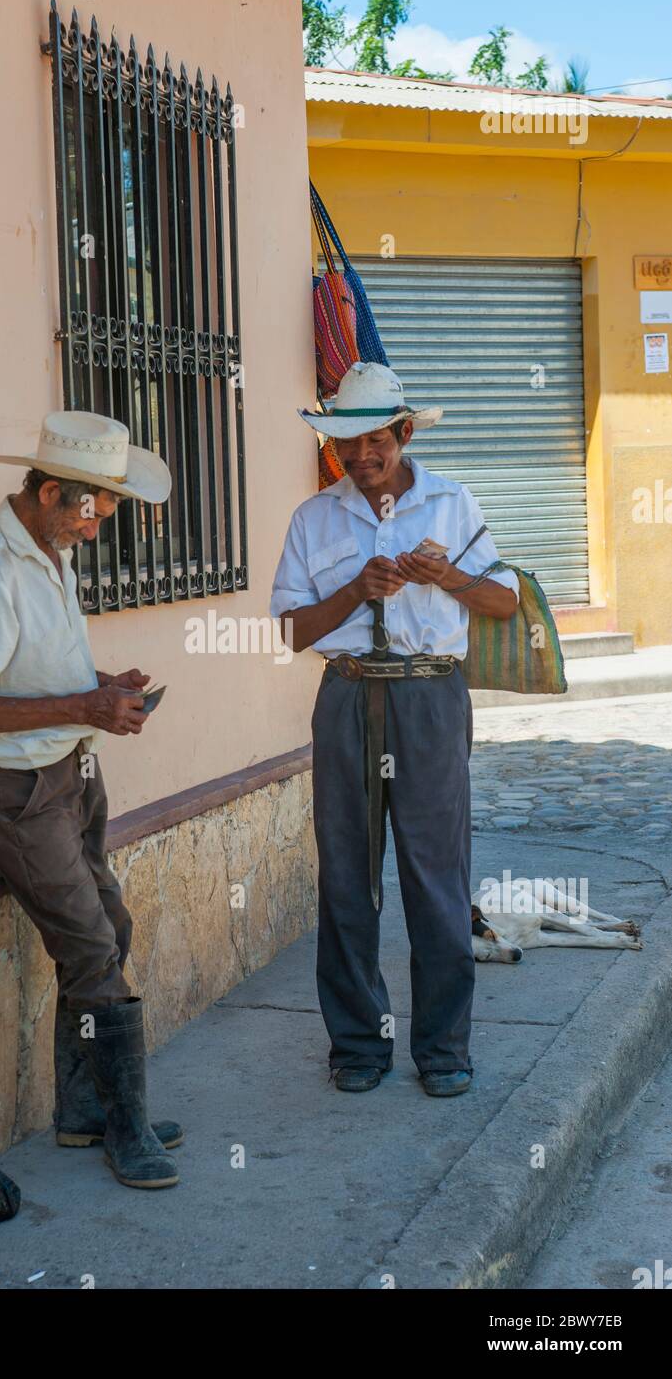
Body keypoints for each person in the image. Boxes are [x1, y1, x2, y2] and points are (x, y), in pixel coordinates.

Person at [0, 410, 182, 1188]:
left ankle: (84, 1110)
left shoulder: (49, 550)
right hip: (20, 788)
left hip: (70, 770)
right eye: (91, 510)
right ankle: (125, 1129)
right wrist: (85, 709)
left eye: (105, 512)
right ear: (49, 492)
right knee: (89, 947)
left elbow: (34, 671)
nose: (96, 526)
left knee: (108, 926)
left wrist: (99, 688)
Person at [270, 362, 519, 1097]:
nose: (360, 458)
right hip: (346, 700)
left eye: (374, 441)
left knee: (435, 877)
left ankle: (443, 1051)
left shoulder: (451, 504)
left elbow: (503, 603)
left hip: (429, 698)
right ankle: (356, 1047)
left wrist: (444, 577)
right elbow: (288, 631)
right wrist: (357, 588)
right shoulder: (314, 518)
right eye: (346, 445)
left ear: (404, 434)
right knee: (346, 877)